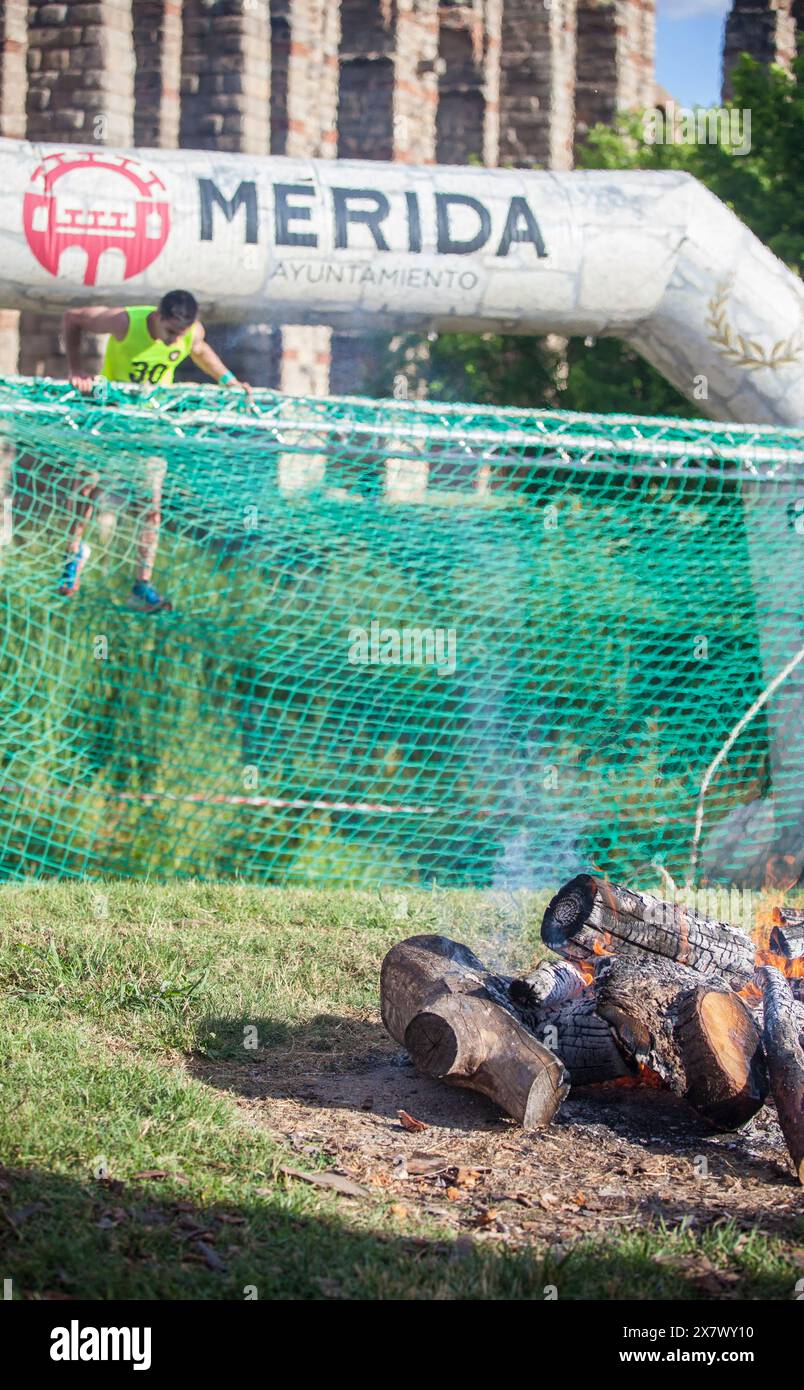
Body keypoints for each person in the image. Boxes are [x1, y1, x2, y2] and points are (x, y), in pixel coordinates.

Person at [58, 289, 251, 612]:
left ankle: (141, 585)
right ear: (158, 317)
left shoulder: (190, 335)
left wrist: (230, 381)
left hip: (150, 427)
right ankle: (72, 557)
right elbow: (72, 318)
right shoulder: (124, 322)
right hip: (111, 419)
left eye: (182, 333)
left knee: (151, 507)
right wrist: (77, 369)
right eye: (171, 332)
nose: (176, 341)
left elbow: (200, 350)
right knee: (85, 488)